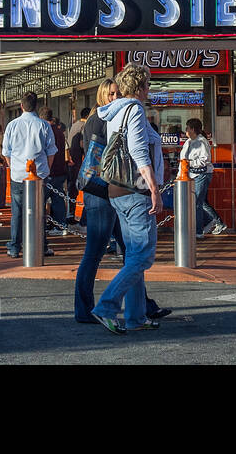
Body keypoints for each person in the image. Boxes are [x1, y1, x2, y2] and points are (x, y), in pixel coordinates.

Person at [90, 63, 163, 334]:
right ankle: (106, 307)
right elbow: (137, 150)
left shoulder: (114, 112)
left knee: (134, 255)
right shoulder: (134, 110)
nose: (149, 89)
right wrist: (154, 188)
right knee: (143, 255)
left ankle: (135, 316)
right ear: (140, 87)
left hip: (117, 190)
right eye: (147, 85)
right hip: (135, 191)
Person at [2, 92, 58, 258]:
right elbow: (51, 151)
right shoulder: (44, 125)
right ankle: (41, 245)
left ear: (21, 106)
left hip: (18, 174)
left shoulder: (12, 125)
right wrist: (46, 168)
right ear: (36, 106)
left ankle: (14, 247)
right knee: (39, 211)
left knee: (17, 212)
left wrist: (12, 166)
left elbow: (6, 151)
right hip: (39, 174)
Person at [179, 119, 214, 237]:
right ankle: (208, 220)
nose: (186, 131)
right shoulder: (188, 142)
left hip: (202, 174)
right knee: (195, 202)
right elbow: (182, 161)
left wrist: (191, 163)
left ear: (193, 129)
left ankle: (198, 231)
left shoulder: (202, 142)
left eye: (187, 128)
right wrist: (181, 174)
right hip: (191, 175)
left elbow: (205, 159)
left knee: (196, 202)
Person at [40, 106, 69, 231]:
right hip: (60, 170)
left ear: (41, 117)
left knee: (41, 200)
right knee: (58, 200)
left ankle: (40, 226)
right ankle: (60, 225)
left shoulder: (44, 130)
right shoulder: (59, 132)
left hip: (48, 171)